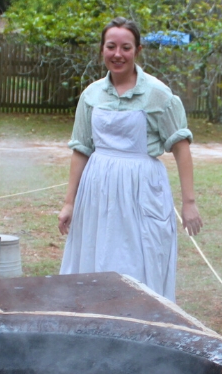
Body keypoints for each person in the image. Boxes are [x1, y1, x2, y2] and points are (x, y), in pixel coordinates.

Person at [59, 18, 202, 302]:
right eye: (111, 46)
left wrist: (189, 204)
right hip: (98, 189)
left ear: (138, 50)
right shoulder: (91, 95)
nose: (118, 54)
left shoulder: (157, 94)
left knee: (138, 256)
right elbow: (81, 149)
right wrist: (69, 202)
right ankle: (96, 313)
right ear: (102, 49)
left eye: (126, 47)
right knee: (97, 253)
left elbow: (181, 146)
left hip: (141, 190)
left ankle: (139, 317)